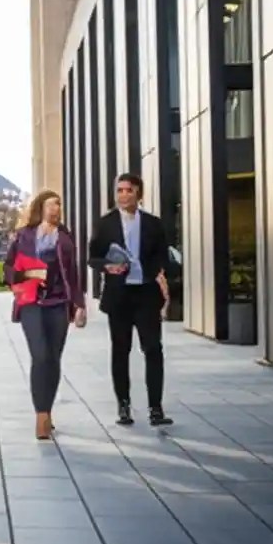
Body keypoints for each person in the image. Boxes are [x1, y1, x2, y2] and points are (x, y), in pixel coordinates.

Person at [88, 173, 174, 427]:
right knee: (120, 351)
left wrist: (159, 273)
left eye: (129, 190)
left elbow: (163, 256)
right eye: (120, 190)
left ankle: (155, 407)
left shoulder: (153, 223)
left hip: (146, 295)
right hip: (119, 296)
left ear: (139, 194)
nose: (124, 195)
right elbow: (93, 258)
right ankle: (123, 406)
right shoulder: (106, 224)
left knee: (153, 350)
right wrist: (107, 267)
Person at [3, 190, 85, 440]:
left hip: (59, 303)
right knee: (40, 356)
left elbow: (73, 273)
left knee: (53, 358)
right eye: (52, 204)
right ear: (41, 207)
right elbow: (8, 269)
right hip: (32, 303)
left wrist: (79, 304)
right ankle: (40, 416)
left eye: (59, 204)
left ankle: (47, 410)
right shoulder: (24, 235)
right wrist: (30, 275)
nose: (56, 209)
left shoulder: (65, 236)